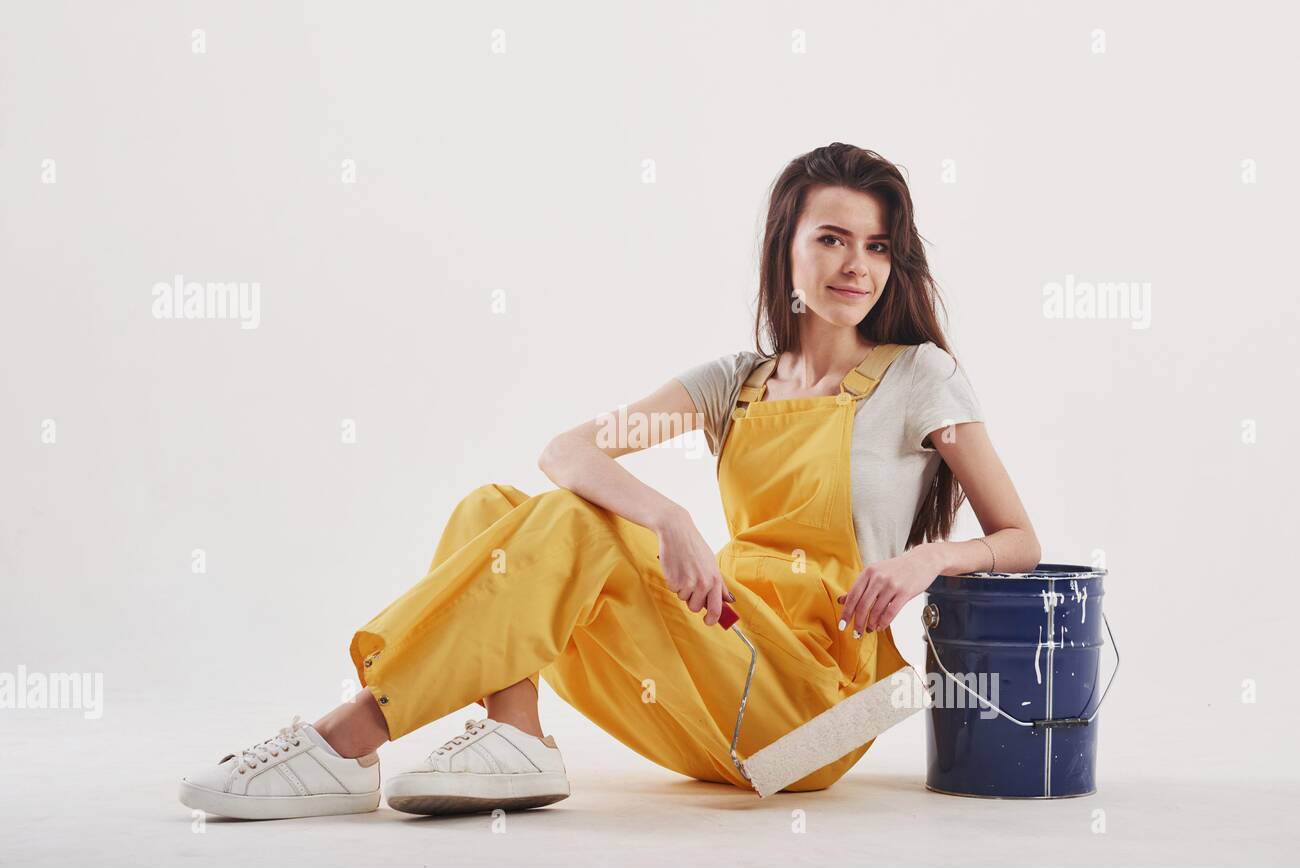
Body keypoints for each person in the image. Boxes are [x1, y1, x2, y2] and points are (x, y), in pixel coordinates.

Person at [178, 142, 1041, 821]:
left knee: (573, 524)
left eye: (878, 246)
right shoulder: (732, 382)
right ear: (787, 251)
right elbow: (568, 449)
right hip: (718, 659)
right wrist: (668, 514)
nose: (857, 264)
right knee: (492, 508)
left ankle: (348, 738)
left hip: (808, 709)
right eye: (832, 238)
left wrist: (927, 561)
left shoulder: (920, 377)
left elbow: (1020, 538)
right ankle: (518, 739)